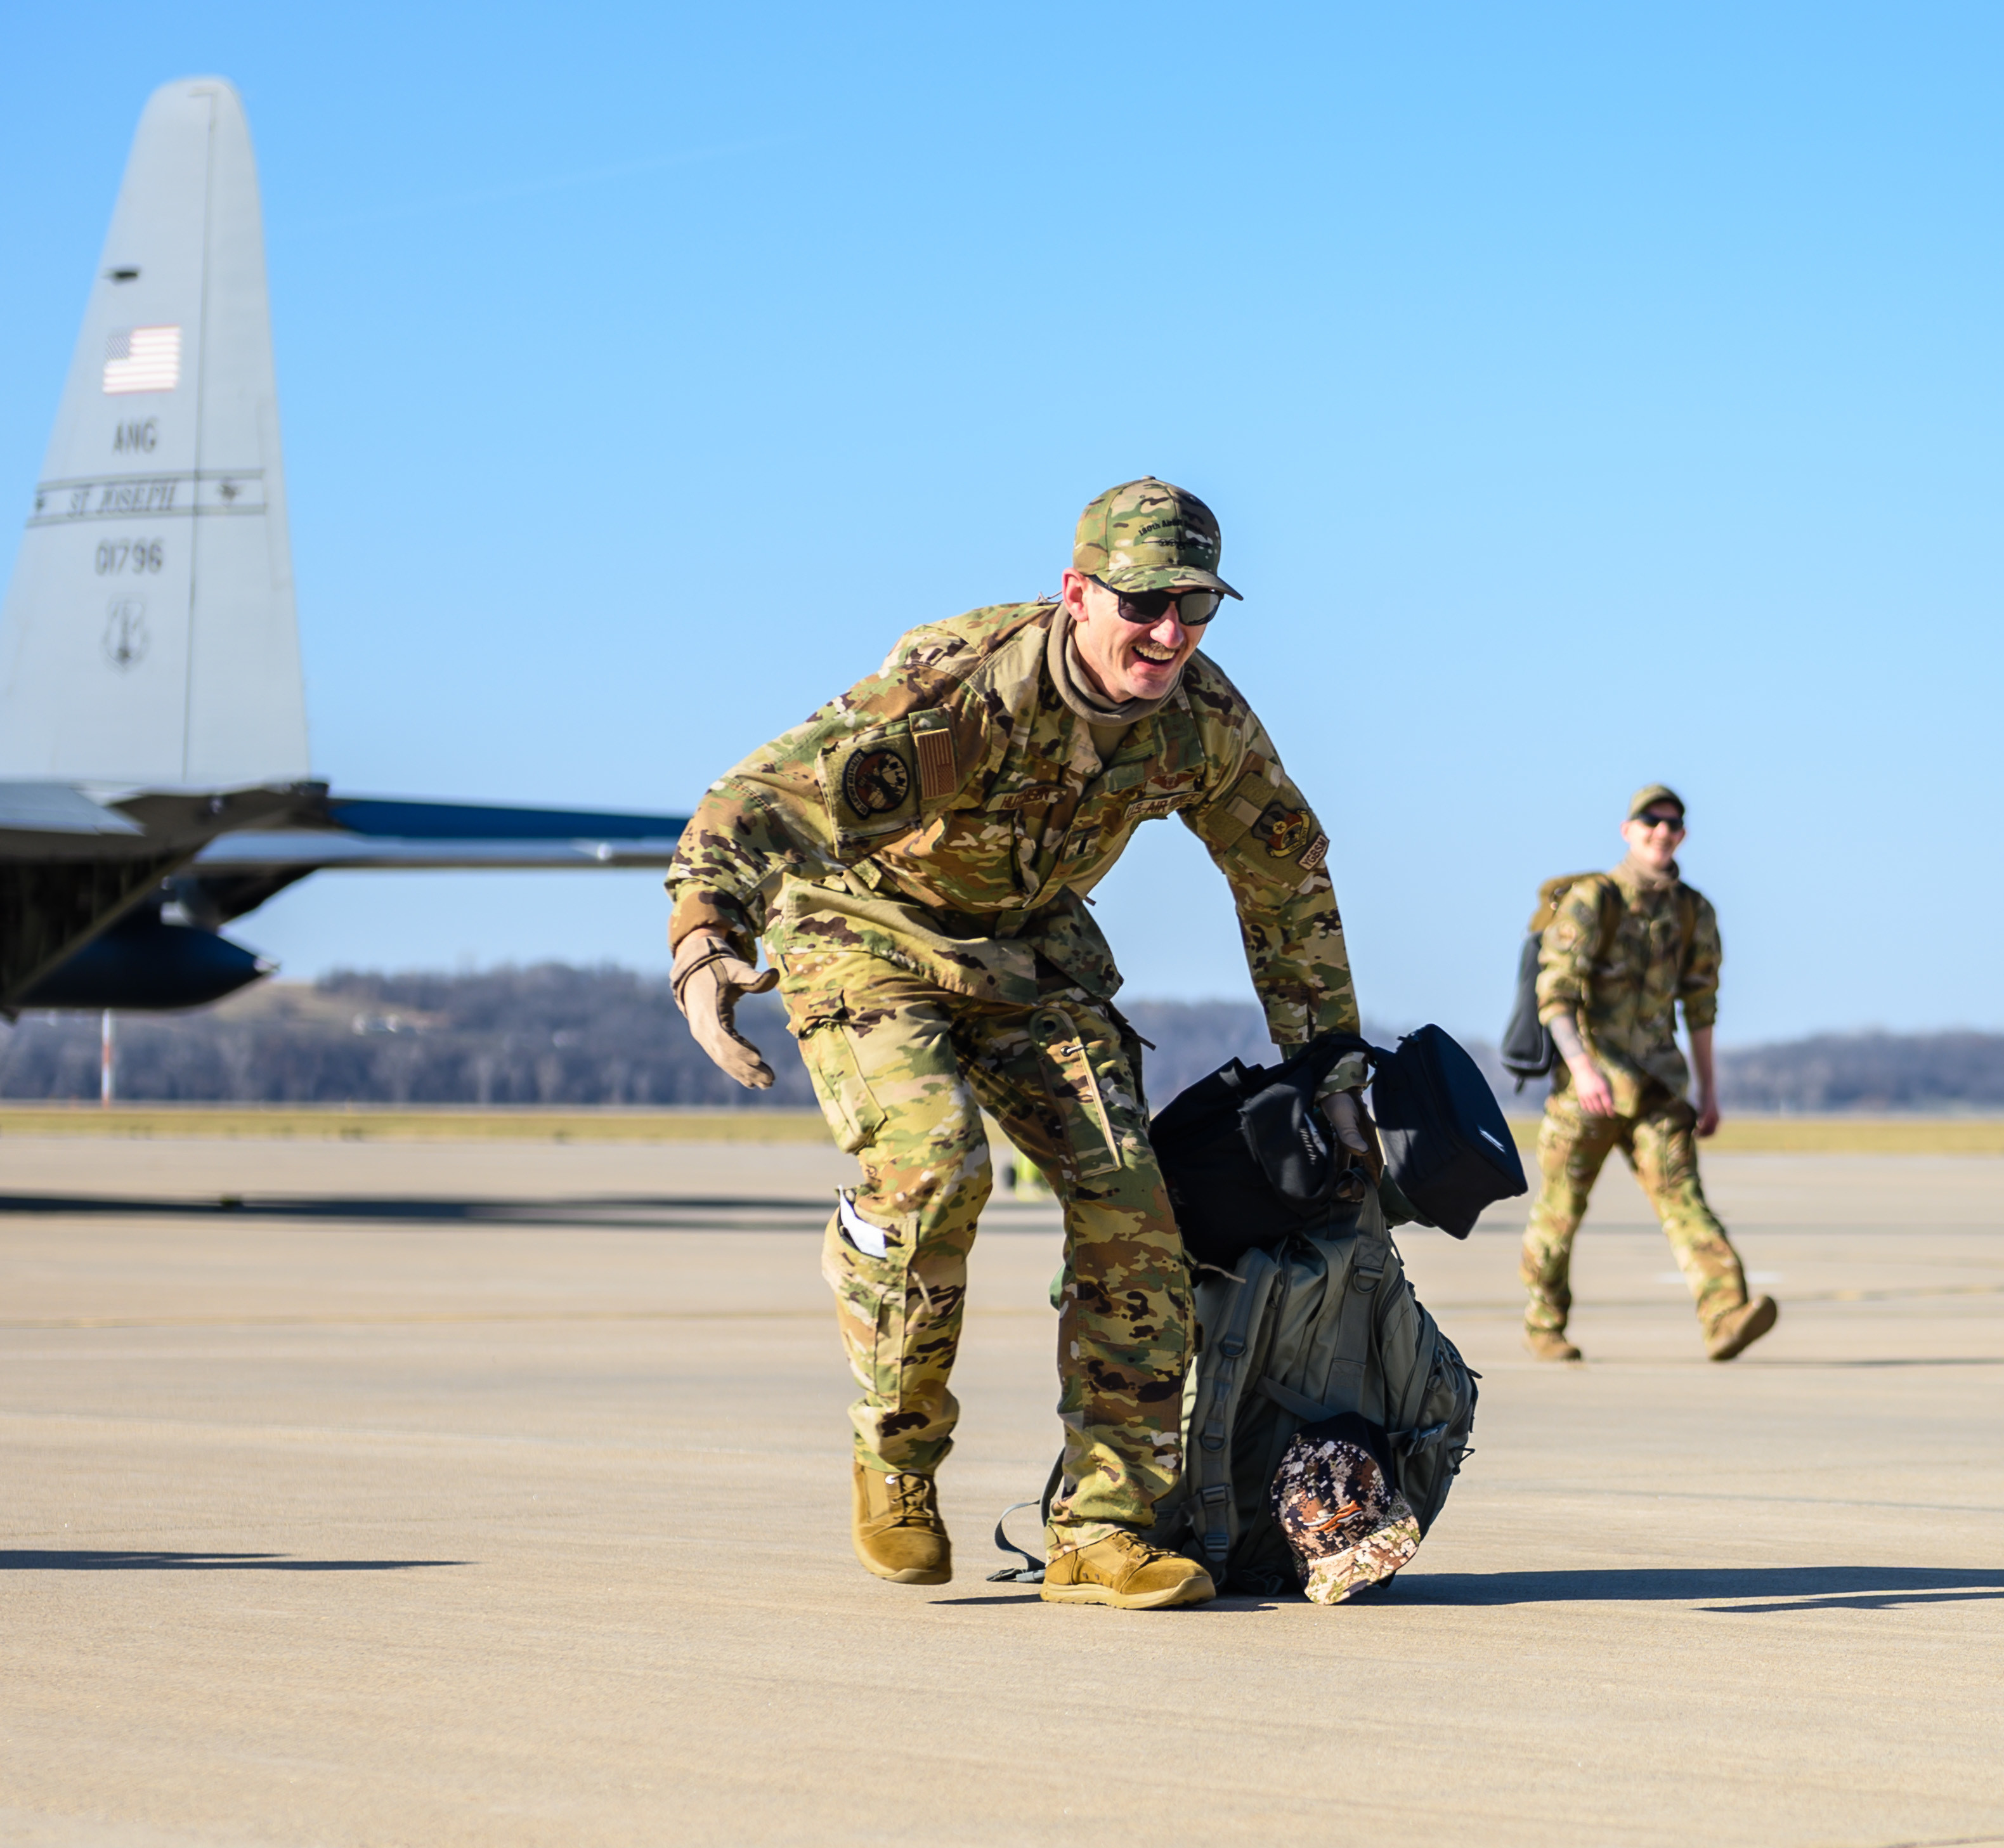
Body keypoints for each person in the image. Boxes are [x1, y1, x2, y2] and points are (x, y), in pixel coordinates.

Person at [663, 478, 1370, 1610]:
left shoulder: (1201, 721)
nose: (1169, 633)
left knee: (1134, 1217)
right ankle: (895, 1459)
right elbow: (756, 795)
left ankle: (1102, 1528)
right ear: (1075, 592)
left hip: (1030, 955)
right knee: (937, 1168)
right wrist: (703, 939)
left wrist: (1328, 1063)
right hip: (868, 931)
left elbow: (1283, 879)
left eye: (1195, 606)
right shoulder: (959, 687)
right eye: (1143, 603)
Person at [1519, 785, 1778, 1364]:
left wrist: (1710, 1091)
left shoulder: (1693, 911)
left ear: (1682, 835)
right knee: (1559, 1212)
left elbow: (1702, 1005)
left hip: (1658, 1086)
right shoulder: (1594, 900)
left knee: (1685, 1201)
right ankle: (1545, 1325)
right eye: (1650, 822)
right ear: (1627, 830)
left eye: (1672, 824)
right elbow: (1555, 995)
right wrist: (1583, 1070)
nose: (1662, 832)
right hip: (1589, 1089)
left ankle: (1726, 1316)